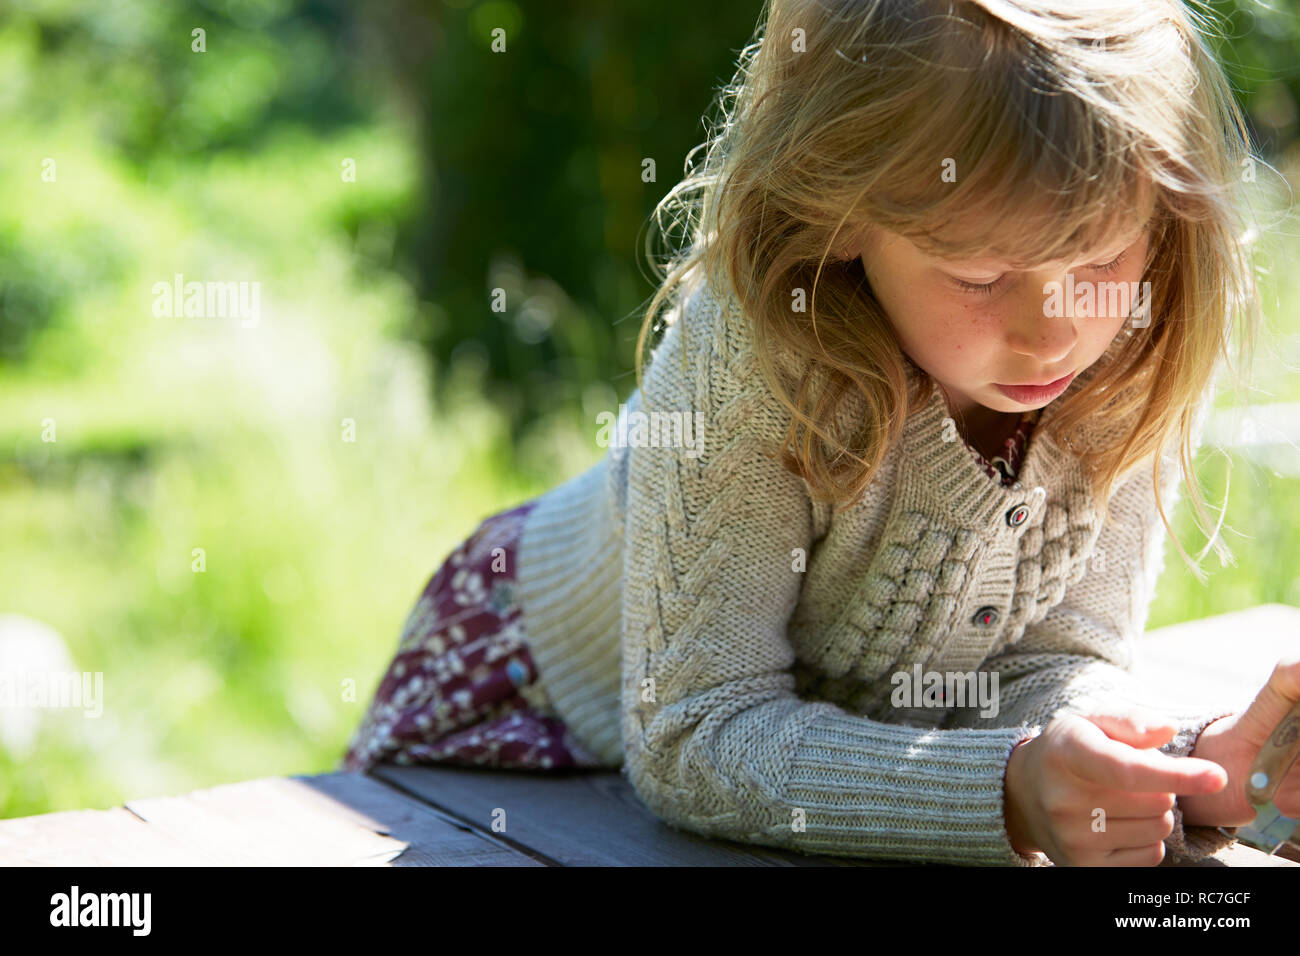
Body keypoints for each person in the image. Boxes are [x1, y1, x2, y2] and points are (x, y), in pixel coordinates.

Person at [341, 0, 1296, 866]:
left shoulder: (1136, 342)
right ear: (836, 211)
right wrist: (1003, 790)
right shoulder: (753, 360)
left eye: (1101, 253)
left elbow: (1050, 668)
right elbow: (695, 732)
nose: (1055, 328)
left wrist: (1172, 765)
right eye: (980, 274)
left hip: (816, 757)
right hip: (532, 707)